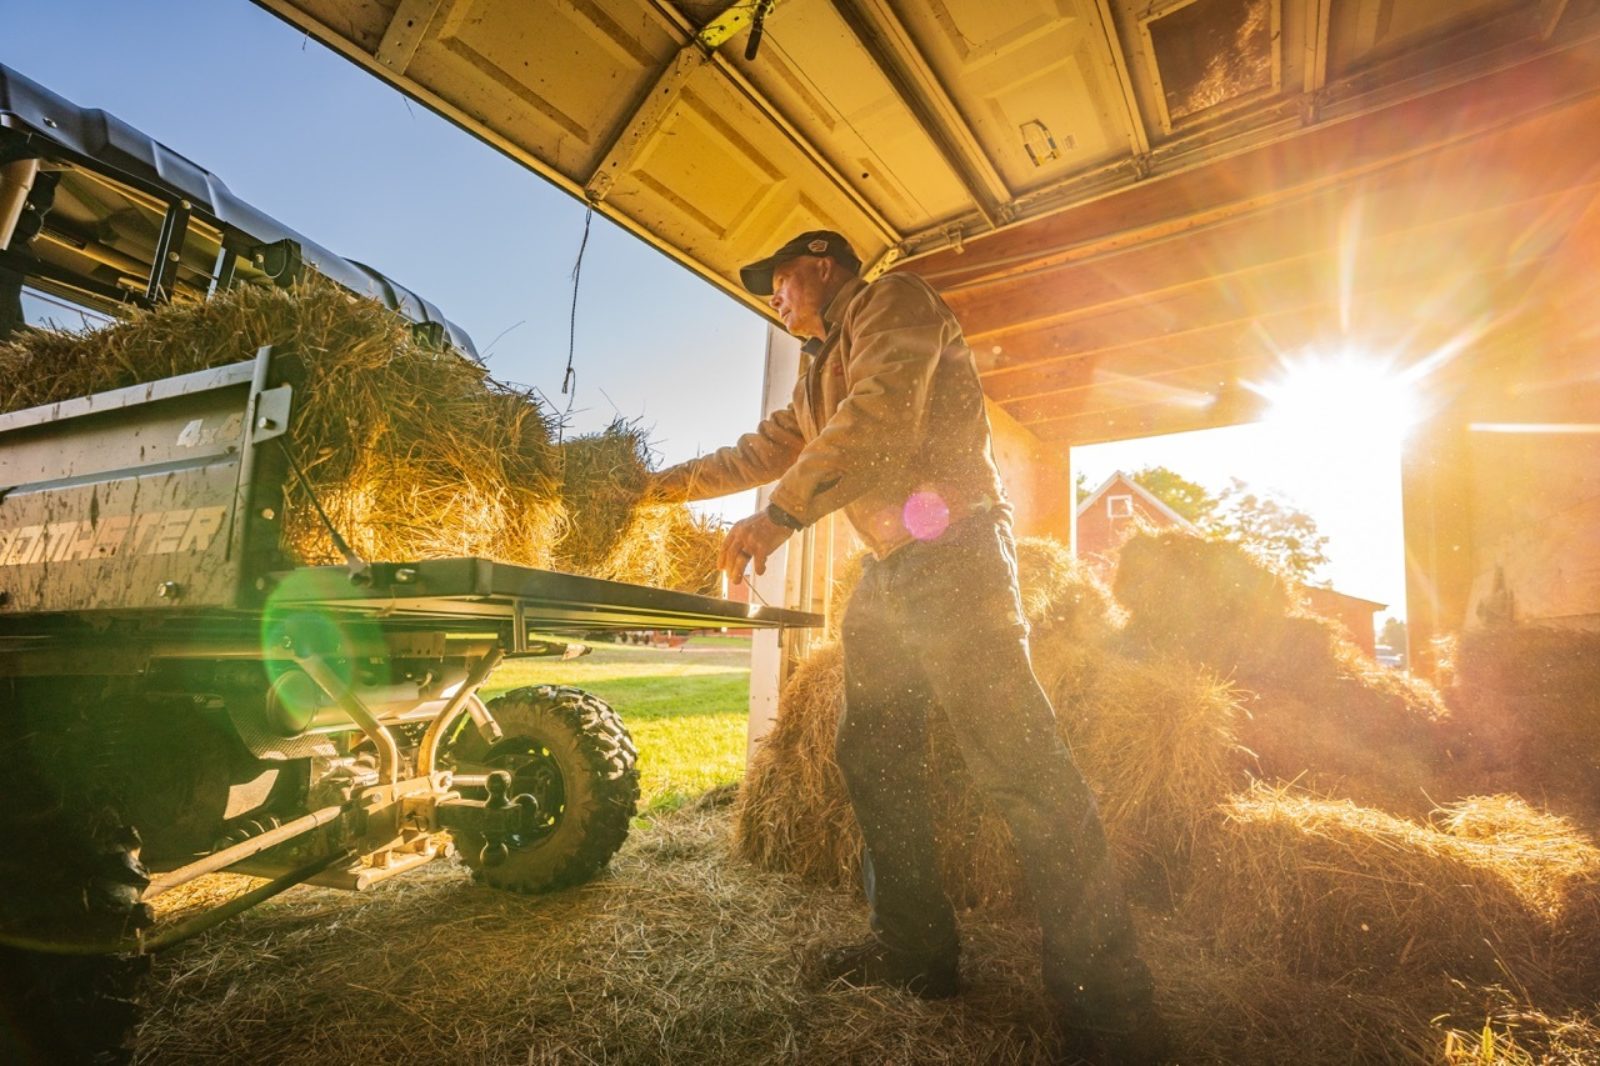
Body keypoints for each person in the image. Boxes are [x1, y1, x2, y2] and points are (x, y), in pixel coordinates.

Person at [651, 231, 1163, 1063]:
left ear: (819, 266)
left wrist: (777, 516)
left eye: (777, 284)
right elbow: (754, 453)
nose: (773, 302)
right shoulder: (818, 373)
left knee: (1022, 766)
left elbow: (880, 412)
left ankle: (1110, 1004)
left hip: (956, 553)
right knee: (873, 753)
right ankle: (915, 952)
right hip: (890, 572)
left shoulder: (895, 304)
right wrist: (650, 489)